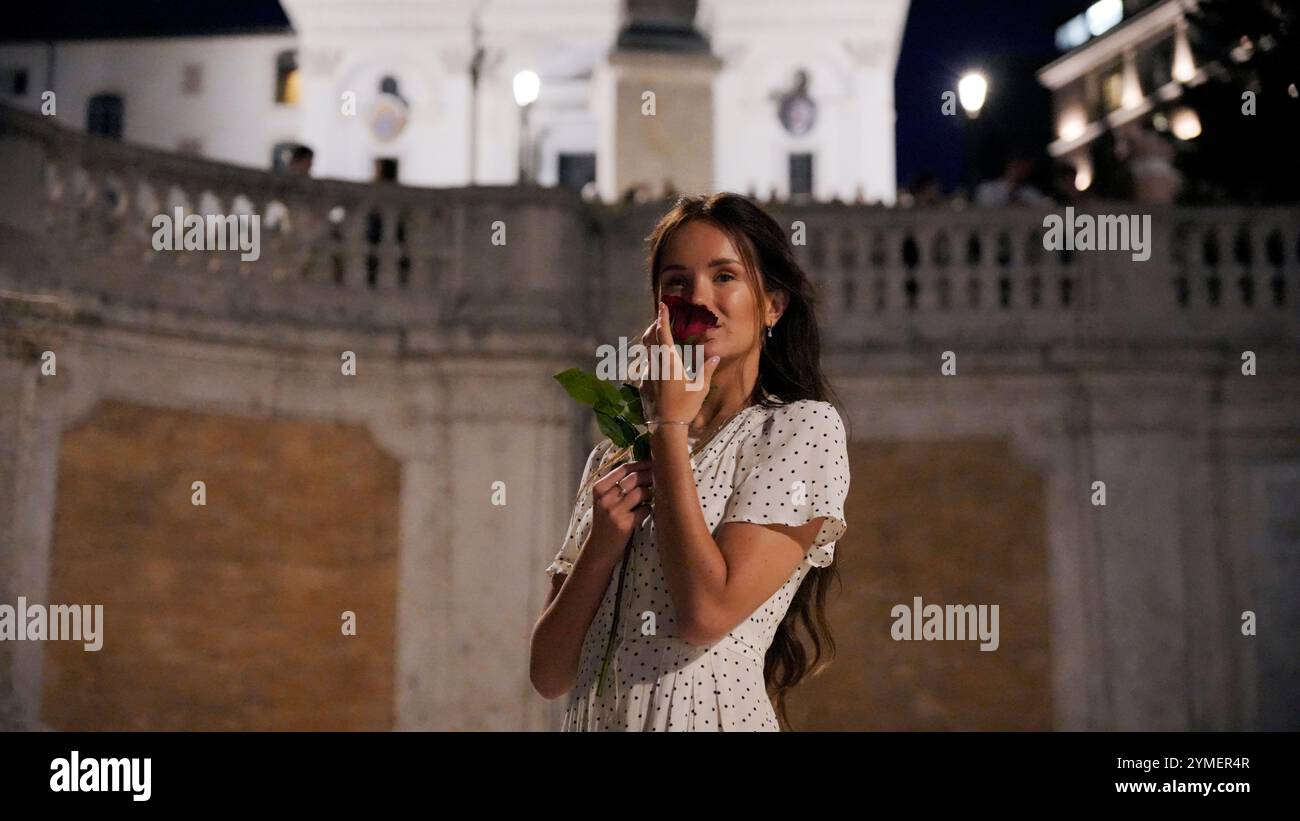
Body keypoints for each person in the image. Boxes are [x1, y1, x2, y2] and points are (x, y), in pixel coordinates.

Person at [529, 192, 851, 731]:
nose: (698, 298)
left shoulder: (800, 429)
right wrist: (603, 543)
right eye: (676, 282)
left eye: (724, 276)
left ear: (772, 304)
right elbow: (549, 673)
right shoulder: (613, 456)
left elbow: (705, 615)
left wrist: (669, 427)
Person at [974, 153, 1048, 206]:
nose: (1021, 171)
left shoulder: (1030, 192)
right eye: (1018, 166)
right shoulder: (987, 189)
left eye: (1025, 168)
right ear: (1009, 166)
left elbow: (1044, 207)